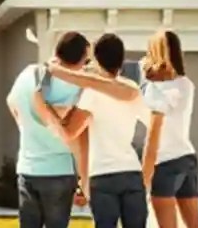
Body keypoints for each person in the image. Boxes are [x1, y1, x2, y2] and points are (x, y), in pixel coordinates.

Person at [40, 33, 149, 228]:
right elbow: (153, 123)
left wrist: (47, 110)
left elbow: (70, 132)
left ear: (97, 60)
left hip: (103, 176)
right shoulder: (132, 88)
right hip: (132, 173)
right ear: (121, 60)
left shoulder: (91, 94)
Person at [6, 31, 92, 228]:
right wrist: (83, 180)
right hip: (59, 171)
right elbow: (81, 139)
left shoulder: (29, 74)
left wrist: (26, 126)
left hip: (28, 167)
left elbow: (11, 102)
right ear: (80, 60)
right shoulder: (78, 88)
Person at [139, 30, 198, 228]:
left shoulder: (159, 89)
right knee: (195, 223)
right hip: (187, 158)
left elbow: (154, 135)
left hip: (164, 163)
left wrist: (144, 178)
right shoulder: (185, 84)